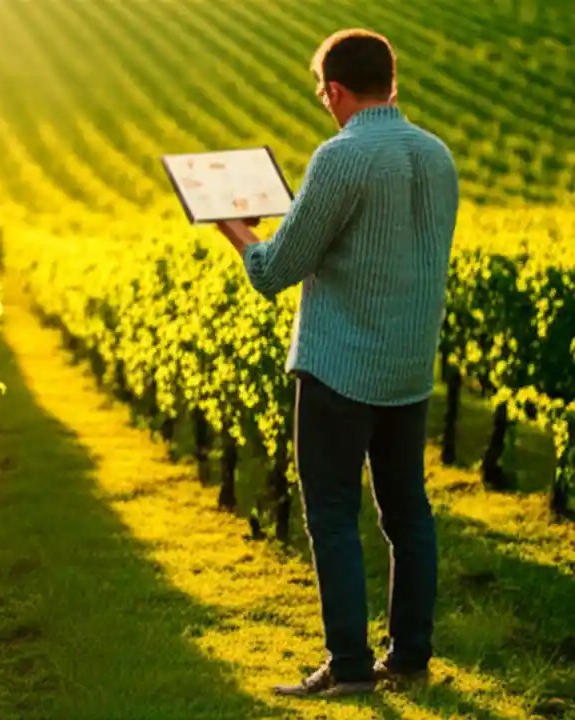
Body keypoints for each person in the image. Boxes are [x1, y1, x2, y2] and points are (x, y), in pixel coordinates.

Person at [214, 29, 459, 697]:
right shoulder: (436, 155)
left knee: (329, 512)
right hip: (408, 369)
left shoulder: (342, 156)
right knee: (408, 512)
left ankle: (349, 665)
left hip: (341, 367)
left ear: (339, 91)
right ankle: (409, 657)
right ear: (392, 81)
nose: (326, 103)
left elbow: (275, 271)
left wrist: (233, 228)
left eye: (325, 93)